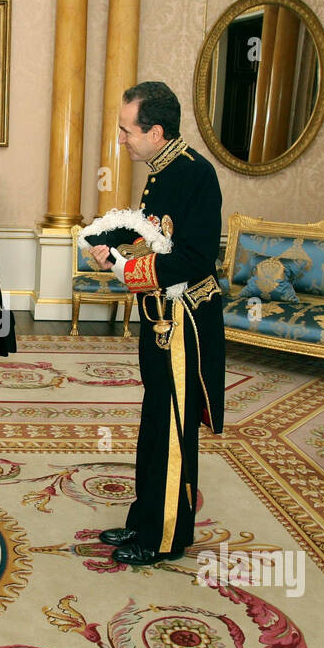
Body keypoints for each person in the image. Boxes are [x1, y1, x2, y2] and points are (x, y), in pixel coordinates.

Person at [90, 82, 225, 566]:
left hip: (185, 325)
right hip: (160, 319)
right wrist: (104, 235)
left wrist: (126, 270)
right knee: (154, 421)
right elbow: (151, 228)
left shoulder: (196, 175)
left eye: (128, 131)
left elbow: (193, 257)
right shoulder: (162, 169)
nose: (122, 139)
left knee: (171, 429)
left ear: (156, 131)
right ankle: (143, 517)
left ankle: (164, 537)